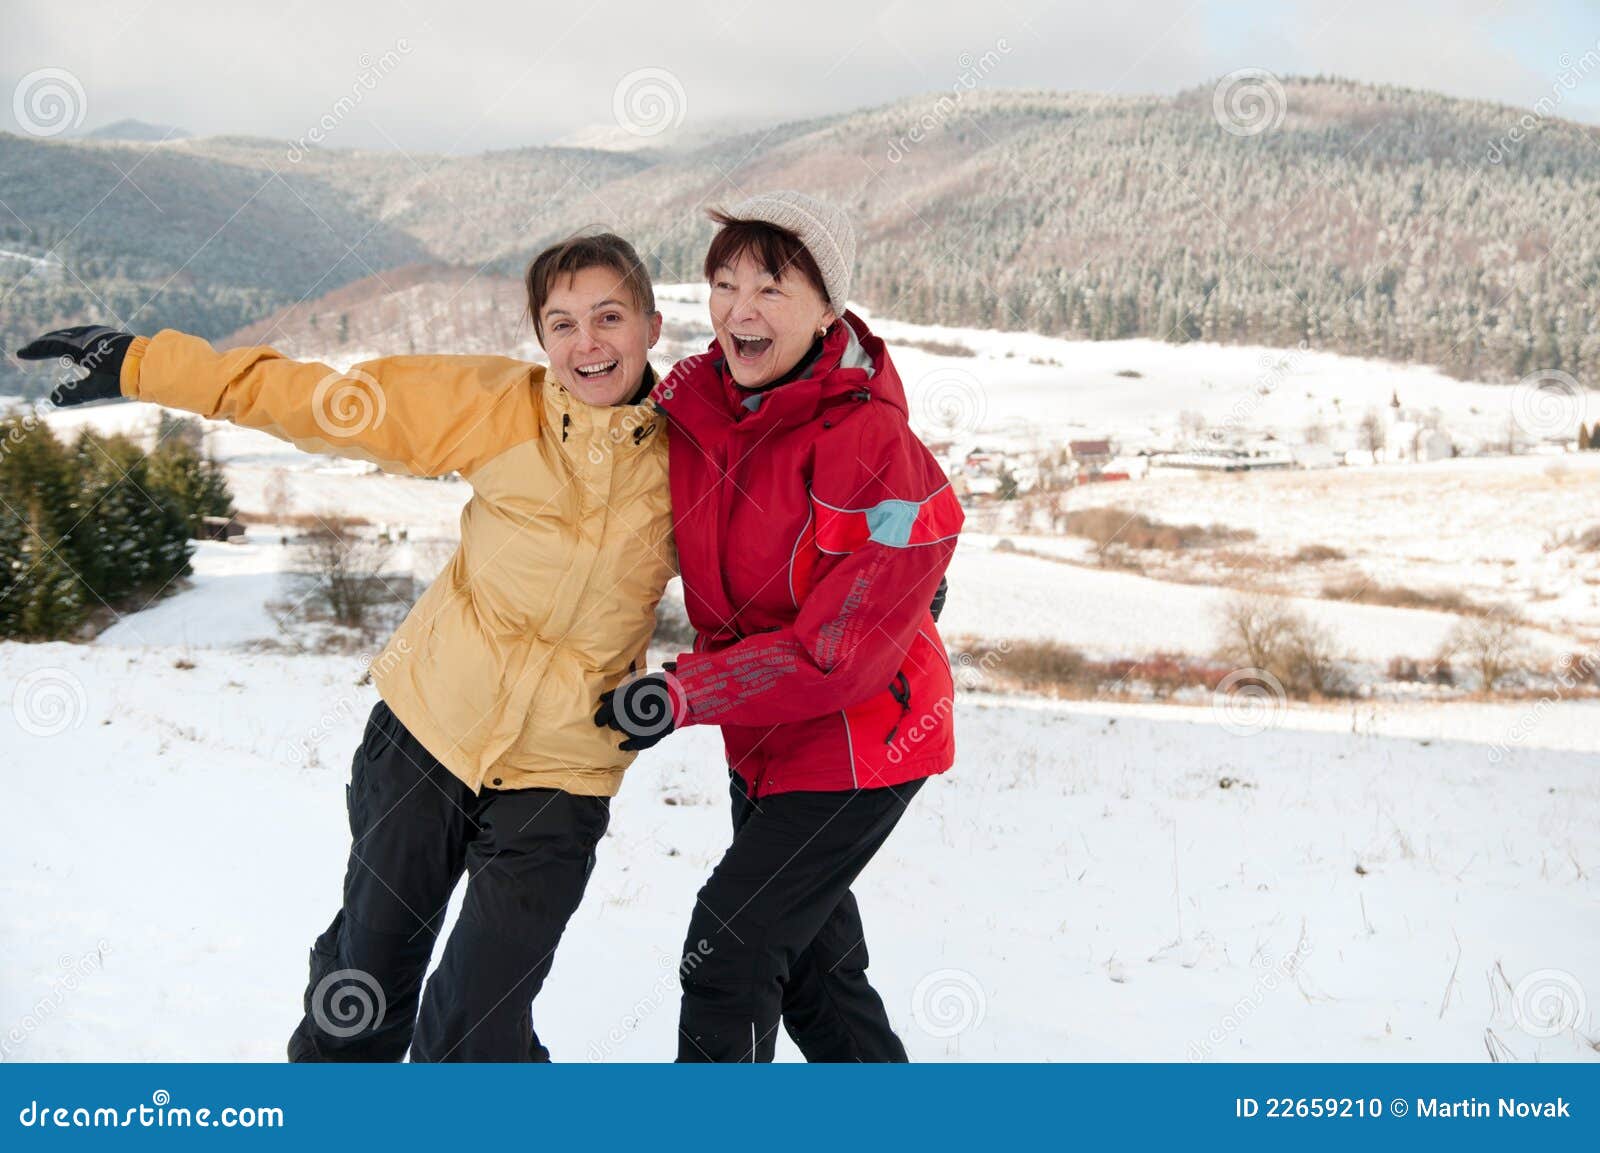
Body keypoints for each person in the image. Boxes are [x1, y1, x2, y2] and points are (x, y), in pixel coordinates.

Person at [21, 233, 675, 1062]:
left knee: (479, 1031)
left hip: (563, 772)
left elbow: (765, 587)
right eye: (563, 322)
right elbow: (321, 400)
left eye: (609, 317)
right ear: (541, 336)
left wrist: (692, 687)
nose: (588, 343)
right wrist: (144, 366)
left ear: (651, 326)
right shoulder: (498, 406)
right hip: (426, 734)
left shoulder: (693, 455)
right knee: (358, 996)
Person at [596, 191, 963, 1061]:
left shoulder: (869, 442)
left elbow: (839, 652)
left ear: (828, 309)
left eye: (771, 288)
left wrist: (684, 692)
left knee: (729, 952)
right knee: (813, 975)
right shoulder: (700, 408)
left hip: (861, 740)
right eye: (725, 284)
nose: (740, 309)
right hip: (764, 734)